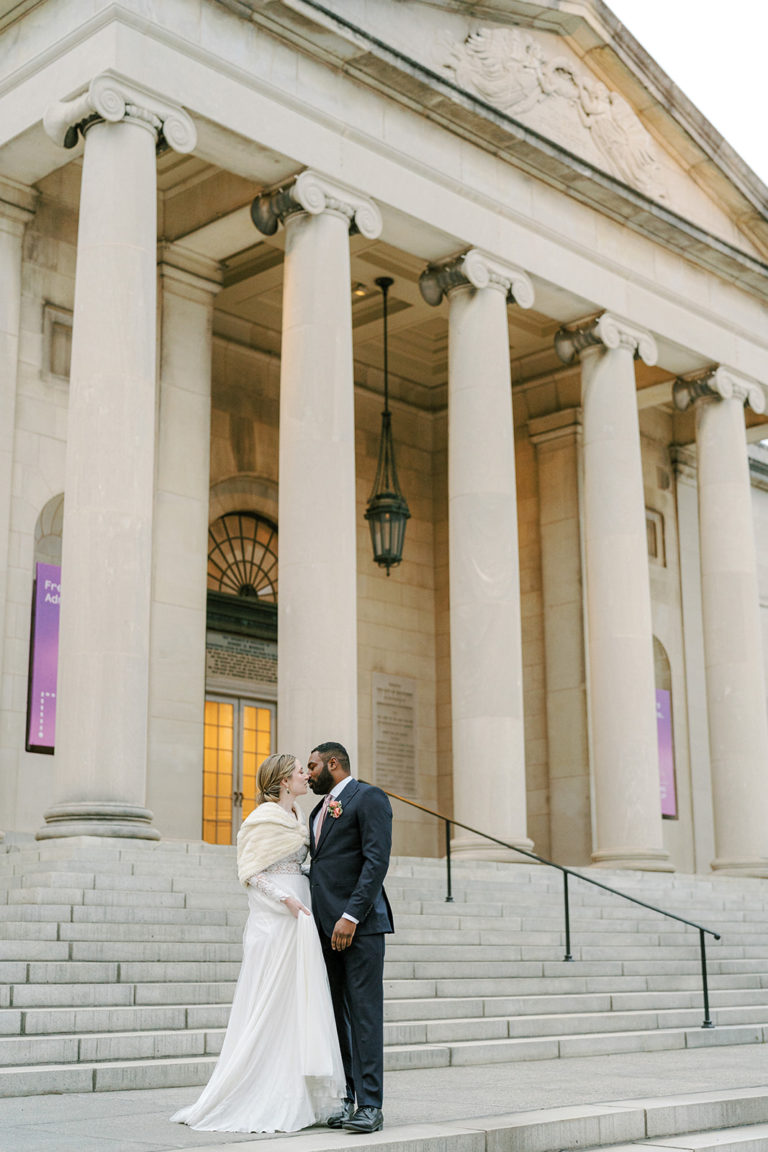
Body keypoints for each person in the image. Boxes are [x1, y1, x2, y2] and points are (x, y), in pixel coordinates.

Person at [171, 753, 345, 1134]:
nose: (306, 776)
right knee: (271, 1002)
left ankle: (303, 1094)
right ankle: (262, 1090)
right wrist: (286, 900)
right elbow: (251, 872)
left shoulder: (301, 817)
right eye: (300, 771)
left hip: (301, 916)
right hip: (276, 919)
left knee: (298, 1003)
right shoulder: (261, 819)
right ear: (284, 780)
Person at [307, 741, 393, 1134]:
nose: (308, 774)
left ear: (334, 763)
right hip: (325, 930)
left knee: (364, 1014)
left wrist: (350, 916)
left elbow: (376, 860)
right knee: (337, 1018)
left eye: (313, 766)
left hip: (360, 926)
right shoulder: (316, 810)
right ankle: (347, 1098)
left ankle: (370, 1105)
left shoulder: (369, 797)